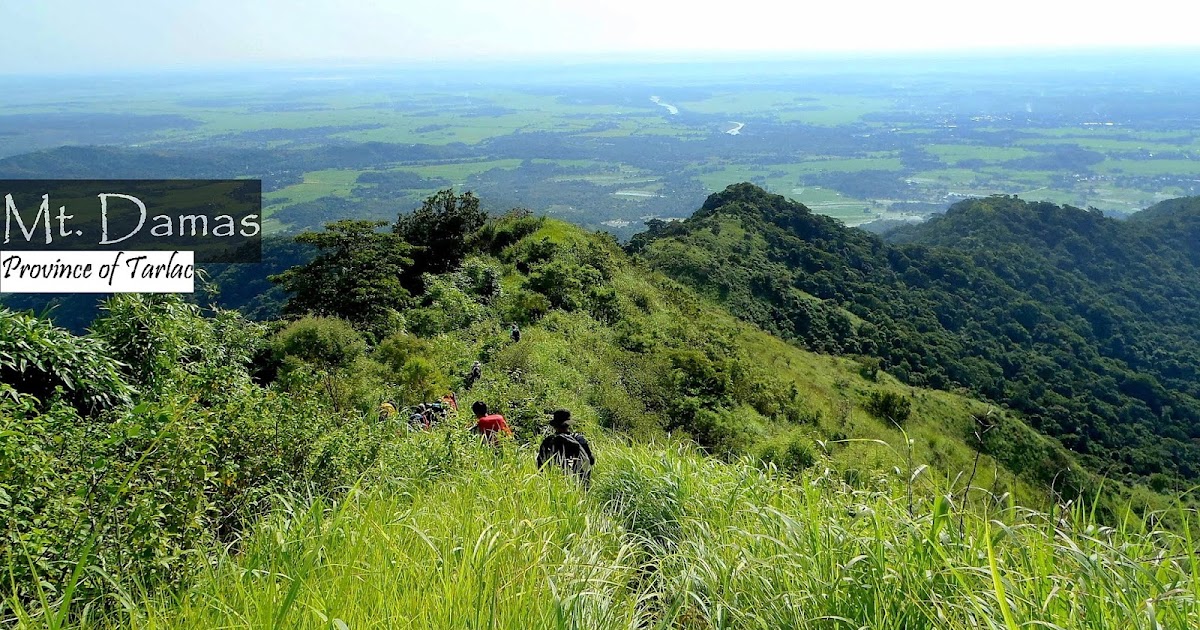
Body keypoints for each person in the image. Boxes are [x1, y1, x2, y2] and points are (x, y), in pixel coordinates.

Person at [537, 409, 595, 487]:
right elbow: (591, 460)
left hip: (555, 484)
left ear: (554, 426)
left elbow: (540, 464)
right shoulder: (578, 439)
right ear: (568, 425)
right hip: (578, 482)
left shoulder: (548, 441)